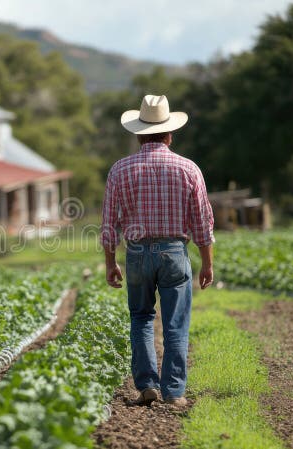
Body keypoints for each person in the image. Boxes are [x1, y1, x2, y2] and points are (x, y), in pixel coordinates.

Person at [101, 94, 215, 406]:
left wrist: (111, 262)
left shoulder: (119, 170)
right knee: (176, 323)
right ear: (169, 134)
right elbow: (203, 221)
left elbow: (109, 223)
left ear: (138, 134)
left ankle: (147, 385)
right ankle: (175, 393)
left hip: (136, 253)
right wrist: (207, 263)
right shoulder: (188, 168)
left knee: (140, 318)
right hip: (175, 252)